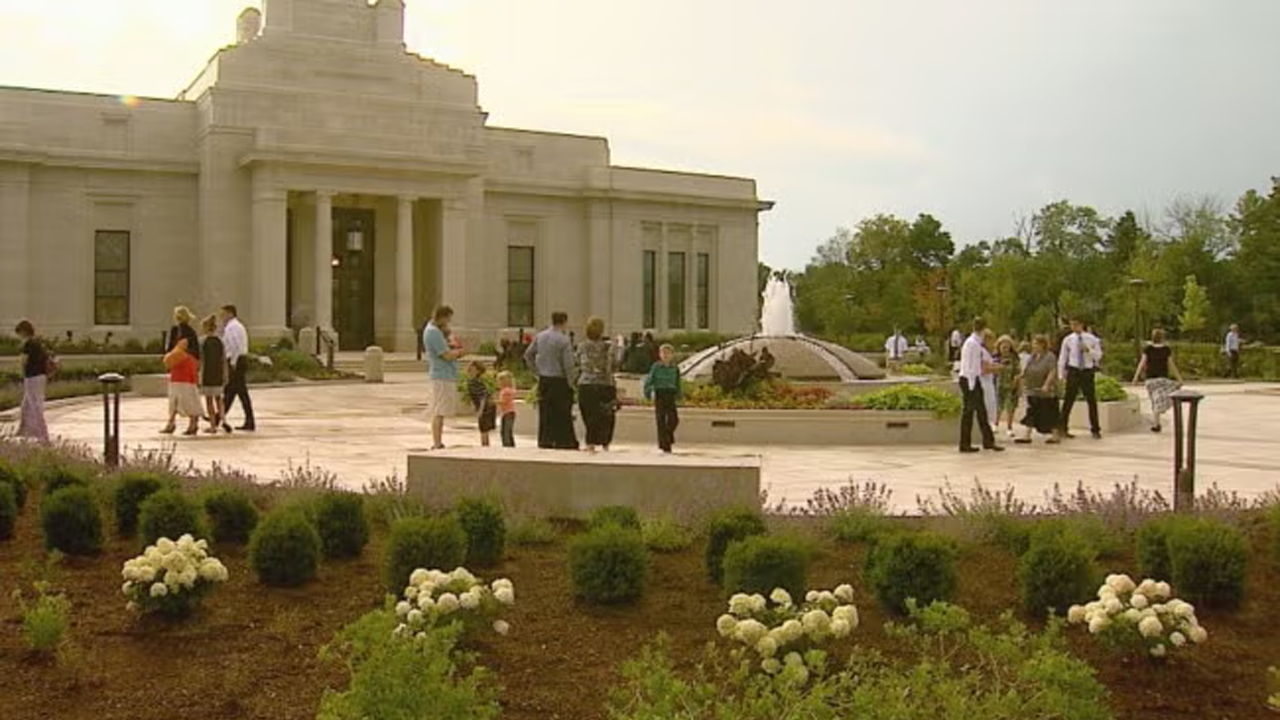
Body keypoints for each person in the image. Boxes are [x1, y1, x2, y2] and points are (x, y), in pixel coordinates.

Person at [524, 311, 579, 450]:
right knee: (562, 413)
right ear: (564, 322)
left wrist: (536, 372)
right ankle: (563, 441)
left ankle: (545, 440)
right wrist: (571, 382)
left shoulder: (540, 336)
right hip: (559, 380)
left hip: (545, 379)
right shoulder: (564, 340)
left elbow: (528, 355)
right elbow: (568, 364)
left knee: (545, 412)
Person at [957, 318, 1003, 453]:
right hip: (970, 379)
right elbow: (971, 366)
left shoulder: (973, 342)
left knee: (981, 411)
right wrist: (972, 385)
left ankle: (988, 441)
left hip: (971, 379)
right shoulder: (973, 344)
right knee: (969, 412)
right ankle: (965, 443)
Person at [423, 305, 464, 450]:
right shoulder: (433, 332)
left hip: (445, 374)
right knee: (439, 410)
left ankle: (438, 441)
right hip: (441, 375)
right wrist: (460, 352)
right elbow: (446, 355)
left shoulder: (437, 331)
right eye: (448, 319)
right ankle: (437, 442)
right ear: (442, 317)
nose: (448, 322)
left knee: (441, 410)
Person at [576, 316, 618, 452]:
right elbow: (613, 365)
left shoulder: (582, 346)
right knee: (606, 415)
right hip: (605, 384)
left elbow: (576, 362)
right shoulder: (608, 347)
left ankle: (590, 443)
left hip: (586, 383)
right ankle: (605, 443)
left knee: (589, 415)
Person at [1058, 317, 1103, 439]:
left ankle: (1095, 429)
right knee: (1069, 399)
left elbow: (1098, 356)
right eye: (1072, 325)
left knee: (1091, 400)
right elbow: (1063, 357)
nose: (1074, 327)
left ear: (1081, 325)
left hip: (1087, 370)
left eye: (1076, 324)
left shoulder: (1092, 339)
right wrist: (1061, 374)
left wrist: (1088, 350)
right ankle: (1062, 427)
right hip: (1074, 370)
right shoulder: (1068, 340)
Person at [1132, 328, 1184, 432]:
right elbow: (1171, 365)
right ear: (1162, 338)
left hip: (1151, 380)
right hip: (1162, 379)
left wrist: (1136, 377)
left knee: (1154, 400)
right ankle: (1160, 414)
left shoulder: (1148, 349)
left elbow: (1142, 363)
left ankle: (1157, 423)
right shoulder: (1166, 350)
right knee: (1163, 396)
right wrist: (1179, 378)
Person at [163, 306, 204, 436]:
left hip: (178, 365)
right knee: (189, 394)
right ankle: (193, 423)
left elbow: (170, 348)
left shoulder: (175, 330)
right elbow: (197, 353)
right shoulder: (191, 332)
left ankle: (171, 423)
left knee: (175, 395)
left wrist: (168, 360)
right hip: (189, 366)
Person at [1015, 334, 1061, 444]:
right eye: (1033, 344)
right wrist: (1020, 377)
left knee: (1050, 412)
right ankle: (1027, 435)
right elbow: (1027, 369)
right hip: (1032, 389)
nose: (1034, 346)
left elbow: (1052, 371)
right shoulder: (1032, 356)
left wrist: (1046, 384)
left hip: (1046, 391)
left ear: (1043, 344)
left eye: (1036, 344)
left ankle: (1055, 435)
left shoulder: (1050, 356)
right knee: (1031, 411)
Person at [14, 320, 50, 444]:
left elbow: (24, 361)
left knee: (34, 405)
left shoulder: (28, 344)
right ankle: (24, 431)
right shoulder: (37, 344)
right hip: (40, 377)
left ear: (24, 331)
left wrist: (20, 372)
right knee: (27, 405)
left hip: (32, 377)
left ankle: (43, 435)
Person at [219, 304, 255, 432]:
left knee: (238, 391)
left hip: (236, 361)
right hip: (239, 360)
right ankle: (219, 417)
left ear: (230, 313)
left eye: (223, 314)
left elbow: (235, 345)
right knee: (232, 391)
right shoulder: (237, 326)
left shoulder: (232, 327)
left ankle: (249, 421)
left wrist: (233, 362)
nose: (222, 317)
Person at [643, 343, 682, 453]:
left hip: (670, 394)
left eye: (668, 353)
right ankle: (664, 445)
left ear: (672, 355)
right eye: (663, 353)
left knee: (674, 419)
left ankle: (668, 437)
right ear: (660, 355)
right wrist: (648, 392)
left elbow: (678, 382)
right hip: (660, 393)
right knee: (661, 420)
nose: (666, 355)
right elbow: (649, 381)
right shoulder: (656, 367)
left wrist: (679, 394)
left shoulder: (675, 368)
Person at [199, 315, 230, 435]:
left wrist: (198, 375)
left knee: (209, 401)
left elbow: (201, 360)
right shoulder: (220, 341)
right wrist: (225, 374)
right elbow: (224, 359)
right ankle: (223, 419)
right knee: (219, 398)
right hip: (218, 373)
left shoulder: (202, 341)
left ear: (205, 327)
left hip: (207, 373)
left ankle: (213, 425)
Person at [994, 335, 1021, 438]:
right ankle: (996, 424)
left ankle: (1009, 427)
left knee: (1010, 407)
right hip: (999, 384)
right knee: (998, 406)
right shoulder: (996, 358)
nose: (1005, 348)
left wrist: (1016, 382)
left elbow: (1018, 371)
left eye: (1007, 346)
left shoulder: (1014, 359)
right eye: (1003, 346)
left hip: (1011, 385)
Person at [466, 360, 497, 447]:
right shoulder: (471, 381)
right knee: (483, 428)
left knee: (484, 428)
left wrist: (480, 409)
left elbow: (483, 397)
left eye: (473, 370)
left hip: (486, 406)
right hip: (483, 405)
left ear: (478, 371)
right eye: (470, 369)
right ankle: (485, 445)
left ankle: (485, 445)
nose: (471, 371)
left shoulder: (477, 382)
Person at [980, 328, 999, 429]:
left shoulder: (987, 352)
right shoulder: (982, 352)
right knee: (987, 404)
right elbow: (983, 368)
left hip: (988, 381)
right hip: (984, 382)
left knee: (990, 404)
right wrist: (997, 368)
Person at [496, 370, 517, 448]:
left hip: (508, 413)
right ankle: (510, 445)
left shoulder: (506, 391)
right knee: (507, 431)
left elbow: (504, 401)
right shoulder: (506, 390)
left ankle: (507, 446)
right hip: (507, 412)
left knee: (506, 432)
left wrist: (494, 402)